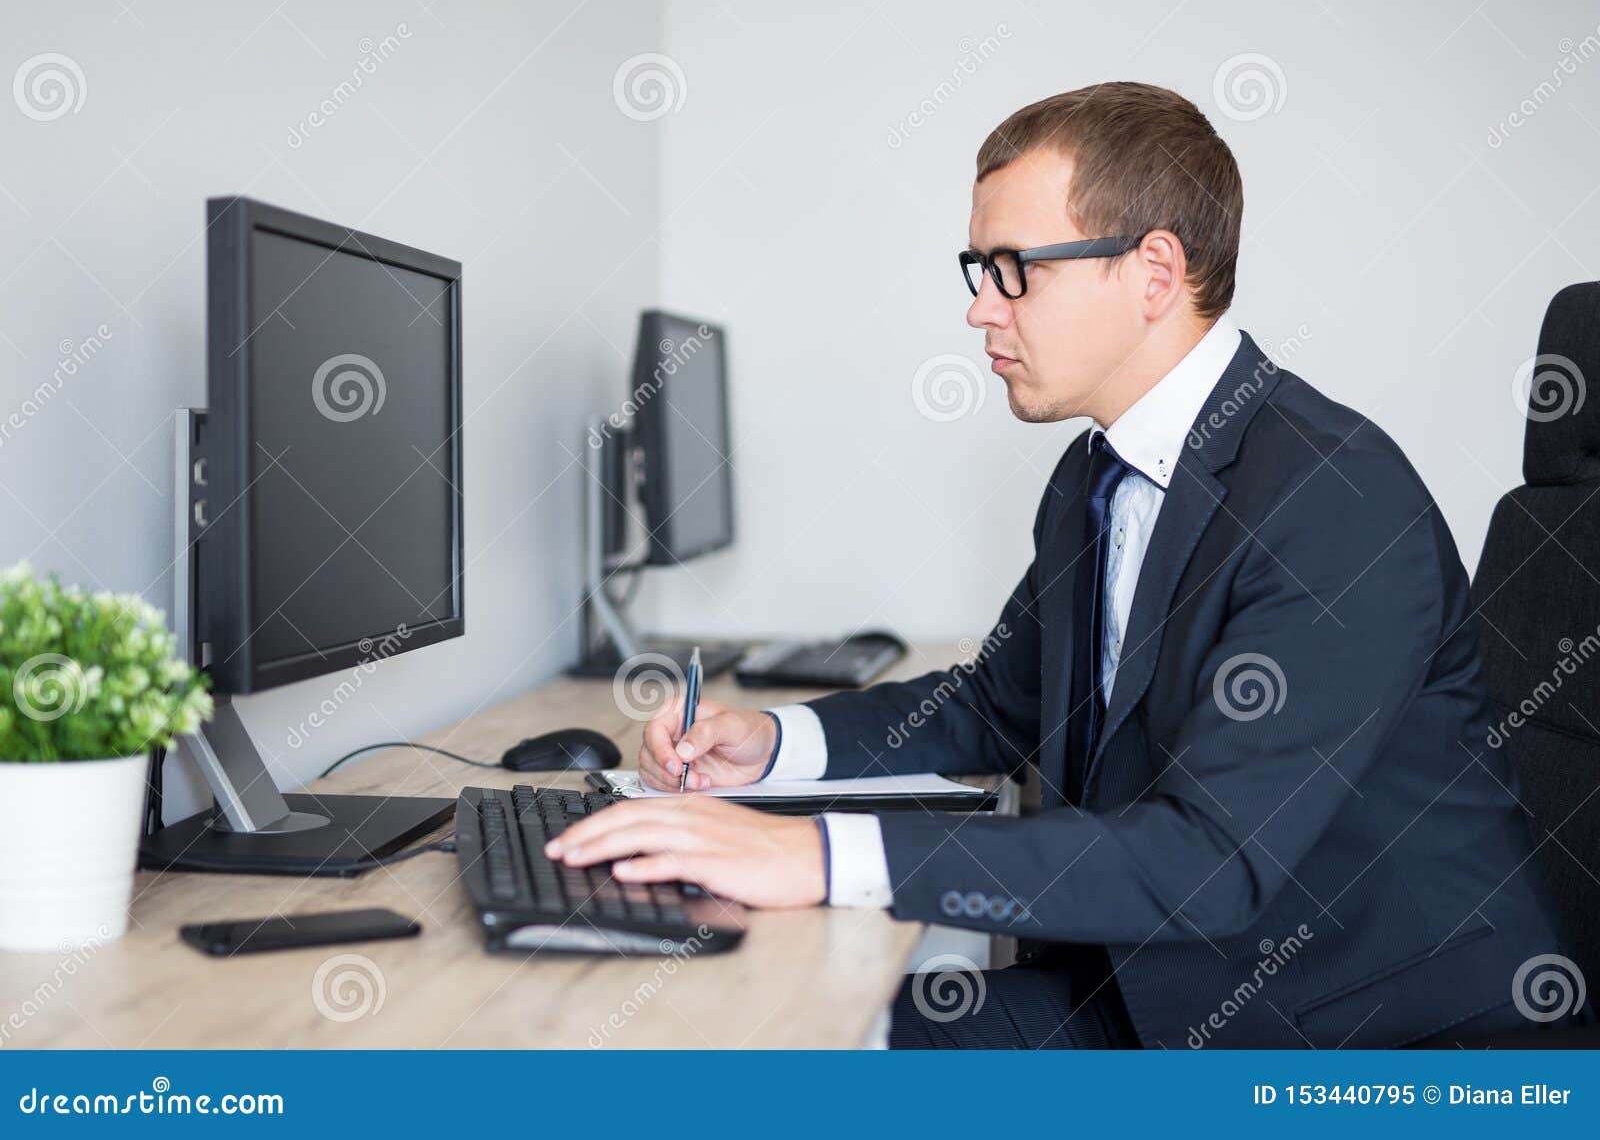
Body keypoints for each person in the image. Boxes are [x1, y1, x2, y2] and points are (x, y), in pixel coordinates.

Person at [547, 82, 1570, 1049]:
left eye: (1012, 269)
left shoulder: (1334, 500)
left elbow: (1209, 860)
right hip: (1155, 986)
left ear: (1154, 274)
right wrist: (772, 742)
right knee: (780, 1035)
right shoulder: (1095, 473)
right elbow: (997, 704)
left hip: (1364, 1041)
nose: (980, 309)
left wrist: (809, 854)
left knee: (793, 1051)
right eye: (976, 271)